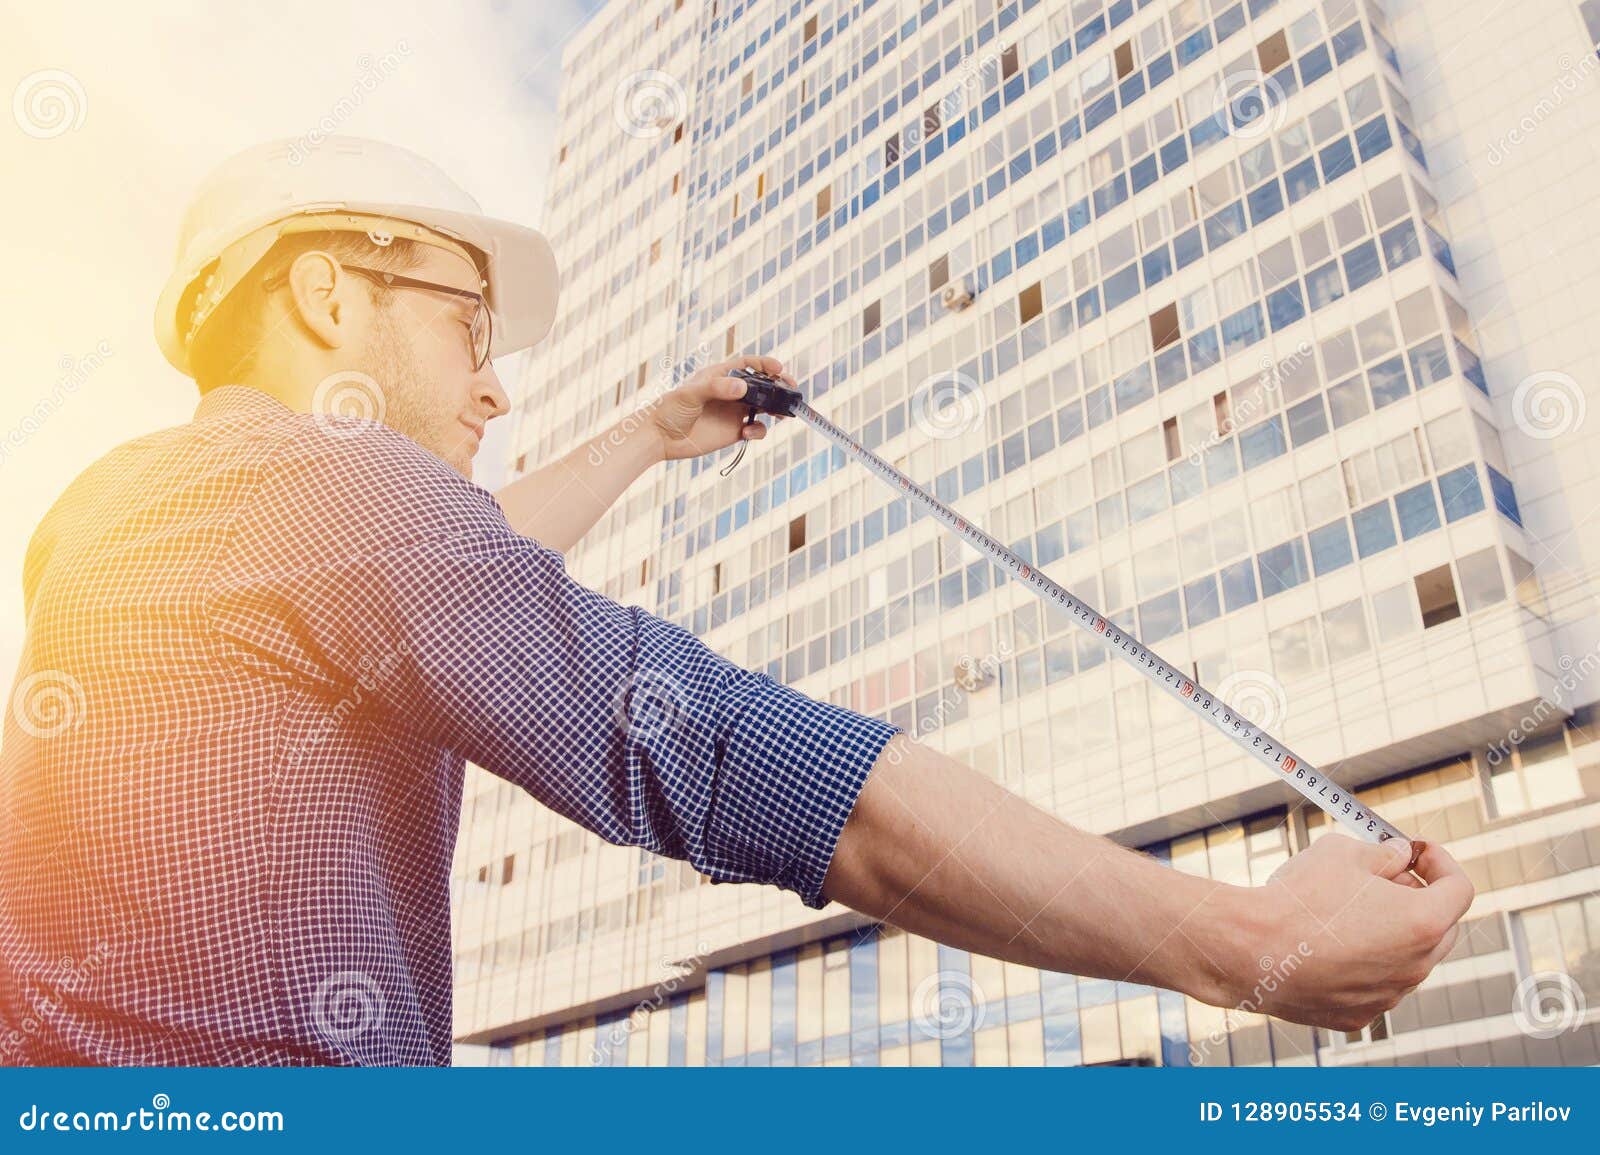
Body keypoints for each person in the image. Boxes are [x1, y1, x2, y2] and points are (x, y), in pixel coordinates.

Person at [0, 136, 1472, 1066]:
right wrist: (1241, 943)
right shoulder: (327, 490)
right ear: (330, 301)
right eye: (468, 327)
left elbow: (442, 570)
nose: (497, 382)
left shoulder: (143, 516)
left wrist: (649, 432)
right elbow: (711, 748)